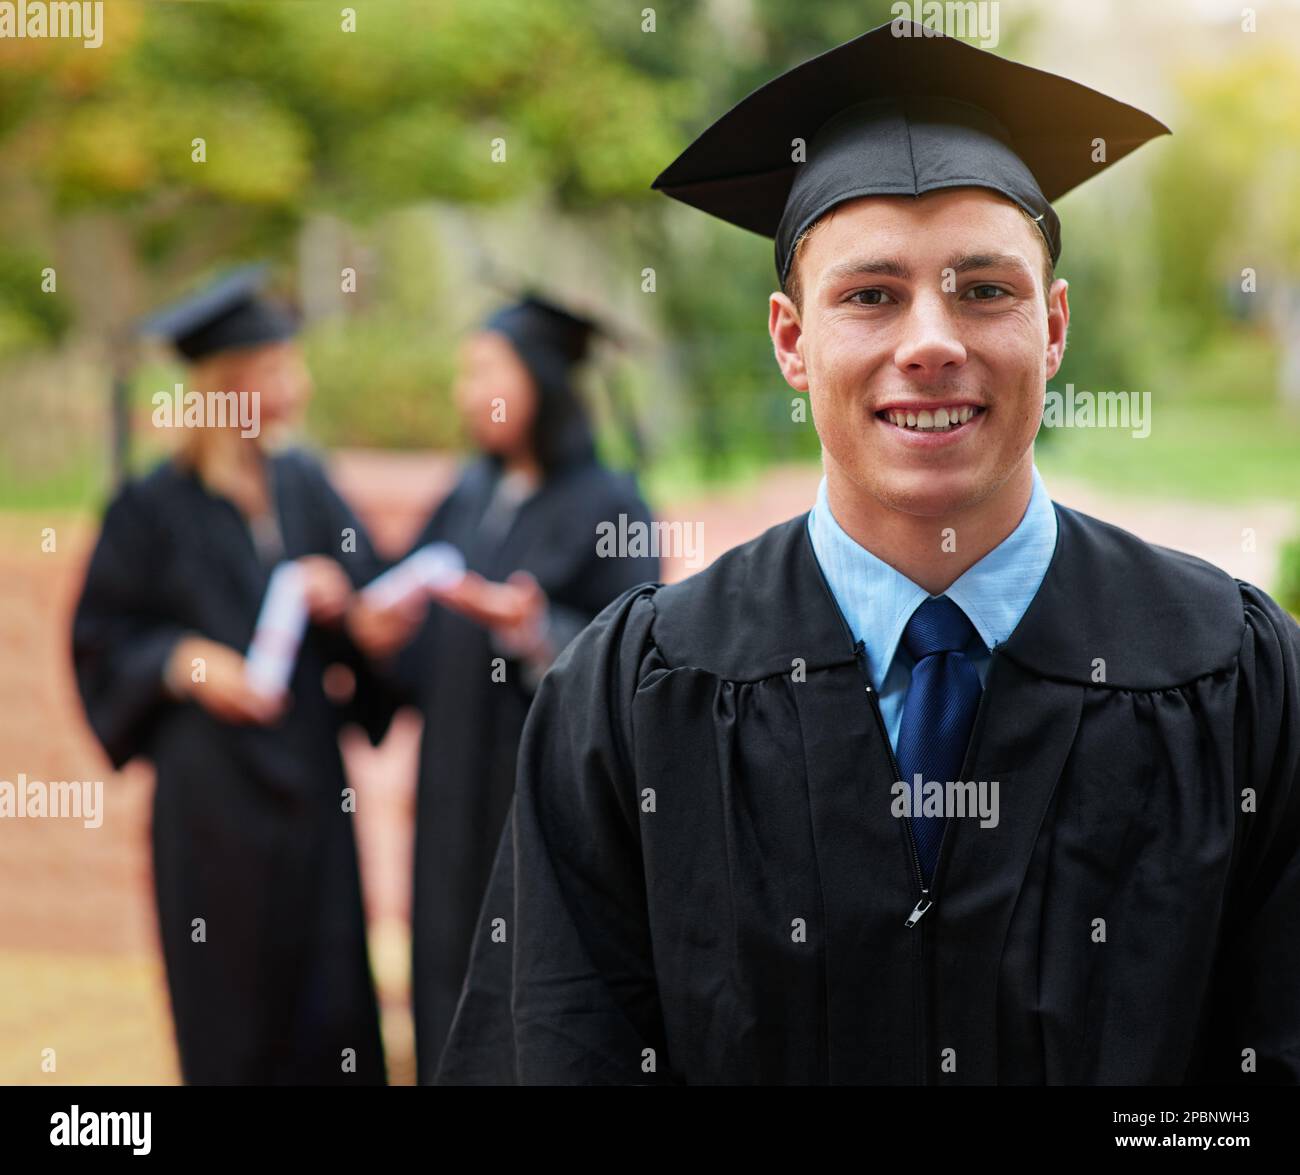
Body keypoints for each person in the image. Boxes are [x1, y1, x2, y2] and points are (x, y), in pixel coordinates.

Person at [442, 22, 1300, 1084]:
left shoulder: (1238, 678)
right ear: (792, 341)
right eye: (870, 294)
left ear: (1055, 326)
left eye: (985, 289)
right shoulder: (631, 698)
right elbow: (555, 1048)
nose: (931, 340)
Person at [72, 267, 392, 1084]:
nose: (300, 385)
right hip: (211, 796)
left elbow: (375, 604)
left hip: (312, 784)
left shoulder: (305, 486)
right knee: (231, 1008)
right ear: (225, 387)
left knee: (330, 1005)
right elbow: (101, 635)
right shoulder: (150, 506)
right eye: (279, 369)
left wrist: (347, 604)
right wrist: (182, 662)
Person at [347, 294, 659, 1083]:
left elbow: (633, 663)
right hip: (450, 804)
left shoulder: (610, 505)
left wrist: (532, 630)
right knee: (444, 985)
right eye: (465, 372)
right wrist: (379, 637)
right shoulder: (467, 497)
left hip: (541, 810)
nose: (467, 391)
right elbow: (416, 651)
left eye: (488, 370)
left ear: (546, 381)